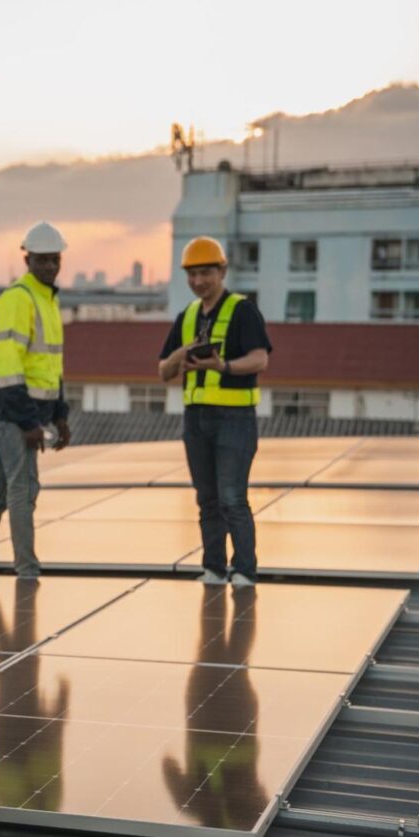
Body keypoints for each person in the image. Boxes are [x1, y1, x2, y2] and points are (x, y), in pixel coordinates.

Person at [158, 237, 272, 587]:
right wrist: (183, 355)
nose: (198, 281)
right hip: (196, 420)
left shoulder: (242, 310)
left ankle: (244, 570)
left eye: (205, 273)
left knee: (232, 498)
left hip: (235, 419)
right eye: (192, 275)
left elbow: (260, 359)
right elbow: (163, 370)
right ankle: (214, 569)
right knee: (207, 499)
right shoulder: (188, 316)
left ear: (222, 271)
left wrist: (223, 366)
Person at [0, 221, 71, 580]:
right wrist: (28, 422)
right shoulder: (18, 299)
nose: (50, 266)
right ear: (27, 260)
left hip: (29, 412)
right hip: (14, 412)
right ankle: (27, 570)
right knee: (23, 488)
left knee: (1, 487)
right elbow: (8, 367)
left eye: (55, 259)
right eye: (43, 260)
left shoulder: (46, 299)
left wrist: (59, 415)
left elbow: (49, 365)